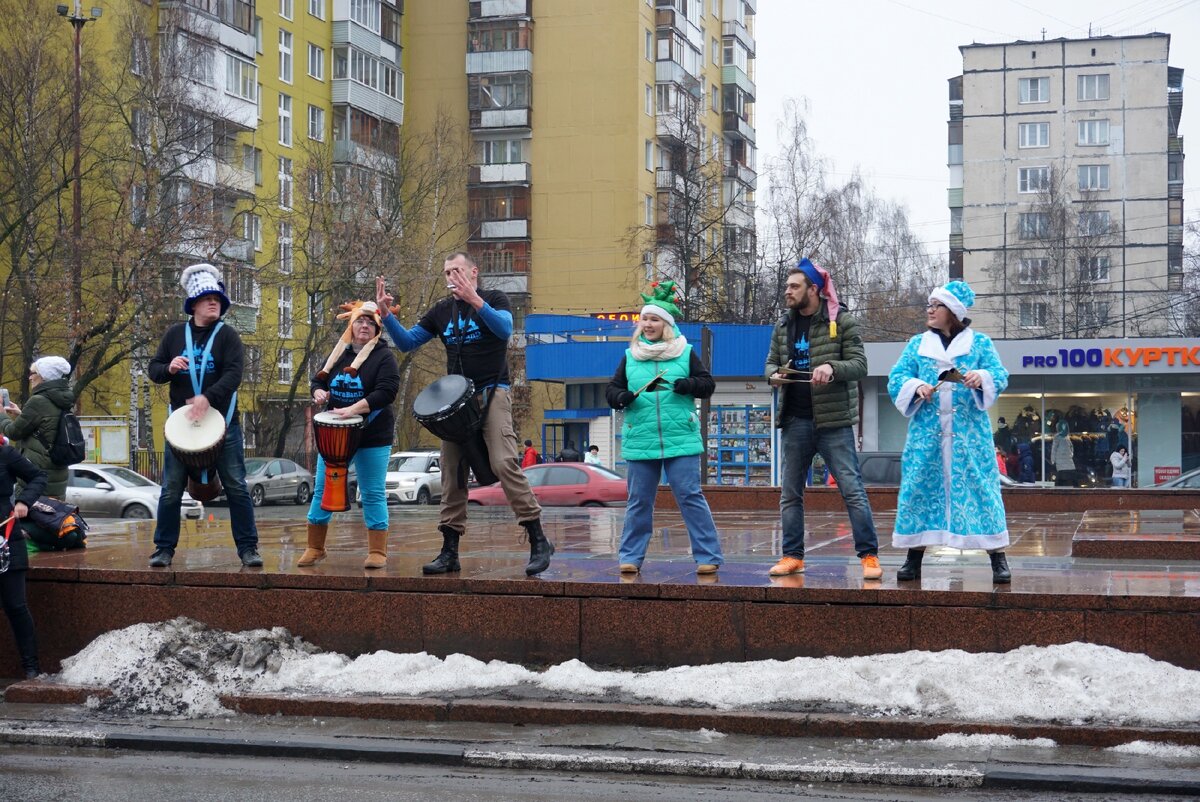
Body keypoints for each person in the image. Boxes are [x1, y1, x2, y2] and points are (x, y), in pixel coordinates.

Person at [376, 253, 553, 575]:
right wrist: (386, 315)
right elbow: (407, 343)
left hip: (492, 393)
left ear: (473, 272)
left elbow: (505, 330)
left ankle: (537, 538)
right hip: (456, 403)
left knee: (503, 462)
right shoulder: (441, 311)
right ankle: (450, 550)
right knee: (451, 470)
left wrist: (474, 299)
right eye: (446, 272)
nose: (451, 277)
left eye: (456, 270)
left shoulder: (494, 298)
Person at [887, 280, 1012, 584]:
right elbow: (897, 377)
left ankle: (998, 557)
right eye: (929, 305)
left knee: (982, 490)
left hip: (969, 436)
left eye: (936, 305)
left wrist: (981, 377)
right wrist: (917, 386)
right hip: (927, 436)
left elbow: (1000, 374)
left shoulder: (980, 343)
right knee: (919, 490)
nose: (929, 310)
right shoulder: (917, 344)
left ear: (953, 312)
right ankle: (913, 559)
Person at [765, 259, 881, 580]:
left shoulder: (841, 321)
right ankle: (792, 556)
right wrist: (774, 375)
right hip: (795, 420)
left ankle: (869, 556)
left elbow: (860, 365)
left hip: (834, 422)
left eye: (794, 286)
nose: (787, 292)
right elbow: (770, 364)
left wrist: (832, 367)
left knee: (852, 490)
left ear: (813, 290)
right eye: (787, 286)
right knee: (790, 494)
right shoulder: (783, 325)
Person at [147, 263, 261, 568]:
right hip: (182, 429)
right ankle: (163, 549)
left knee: (236, 486)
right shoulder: (175, 335)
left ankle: (248, 548)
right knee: (171, 489)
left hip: (223, 425)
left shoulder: (228, 336)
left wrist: (207, 397)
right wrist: (169, 368)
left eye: (218, 299)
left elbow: (234, 375)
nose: (215, 302)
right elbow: (154, 370)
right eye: (208, 298)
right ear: (194, 304)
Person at [605, 281, 723, 574]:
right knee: (638, 502)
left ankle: (708, 556)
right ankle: (630, 557)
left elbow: (707, 385)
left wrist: (689, 384)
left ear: (666, 324)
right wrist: (620, 397)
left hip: (680, 437)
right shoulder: (630, 356)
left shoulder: (685, 353)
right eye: (644, 319)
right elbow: (612, 390)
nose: (648, 324)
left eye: (654, 319)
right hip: (640, 438)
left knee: (690, 497)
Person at [298, 301, 400, 569]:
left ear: (377, 329)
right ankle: (315, 547)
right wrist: (318, 392)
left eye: (370, 323)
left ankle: (377, 551)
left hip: (372, 435)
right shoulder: (338, 353)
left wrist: (353, 409)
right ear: (351, 326)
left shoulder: (383, 357)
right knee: (322, 489)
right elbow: (318, 380)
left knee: (372, 491)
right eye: (359, 321)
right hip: (336, 437)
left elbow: (387, 392)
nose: (364, 326)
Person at [0, 436, 48, 677]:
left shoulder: (5, 454)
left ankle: (31, 668)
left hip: (7, 540)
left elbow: (39, 476)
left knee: (16, 606)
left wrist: (23, 501)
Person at [0, 356, 75, 499]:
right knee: (51, 511)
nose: (30, 377)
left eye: (33, 373)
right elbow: (48, 426)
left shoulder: (38, 401)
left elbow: (13, 432)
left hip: (36, 479)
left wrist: (1, 415)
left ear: (43, 376)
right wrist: (22, 414)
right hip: (57, 477)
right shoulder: (62, 398)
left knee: (24, 511)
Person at [1052, 421, 1075, 486]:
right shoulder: (1065, 436)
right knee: (1067, 480)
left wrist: (1053, 460)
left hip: (1063, 463)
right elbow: (1071, 447)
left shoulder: (1060, 436)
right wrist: (1071, 454)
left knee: (1063, 480)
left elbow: (1054, 449)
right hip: (1067, 462)